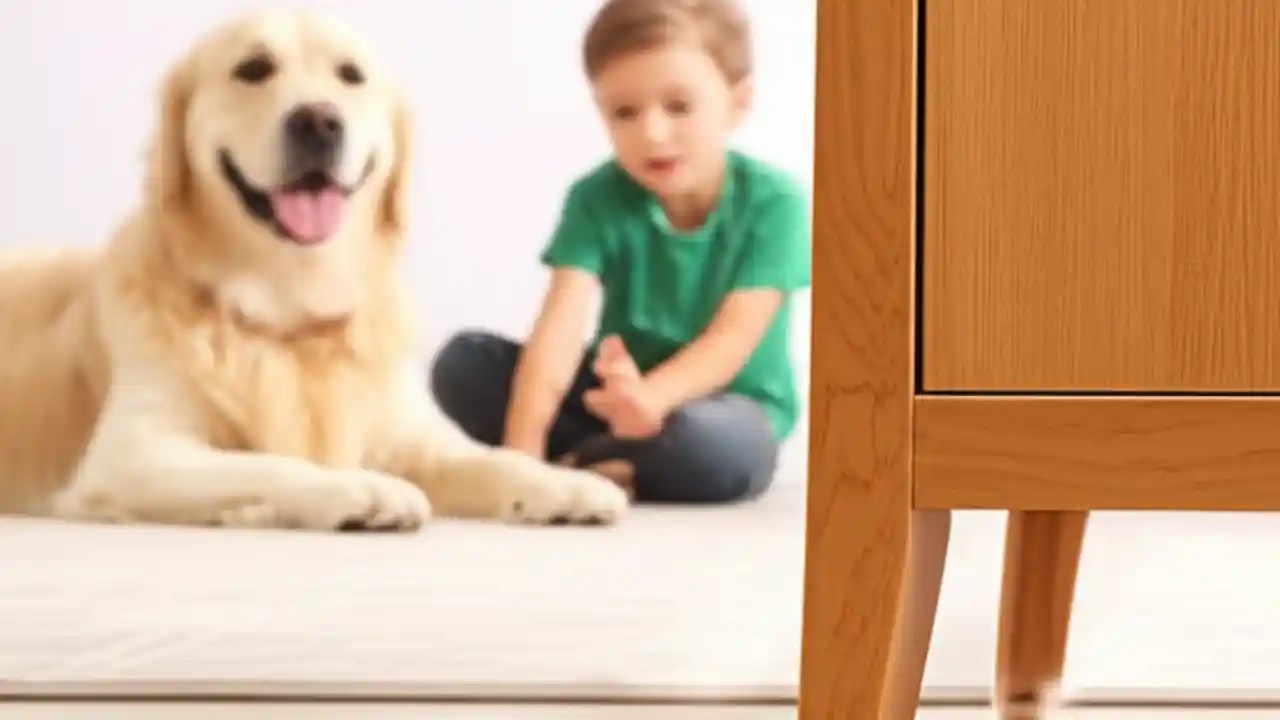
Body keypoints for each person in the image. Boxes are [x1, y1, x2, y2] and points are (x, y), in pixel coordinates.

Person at [430, 0, 811, 504]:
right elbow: (559, 329)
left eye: (678, 107)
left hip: (721, 407)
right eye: (624, 112)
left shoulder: (775, 203)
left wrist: (652, 398)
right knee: (464, 364)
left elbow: (732, 340)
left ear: (737, 104)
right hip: (615, 400)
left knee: (722, 448)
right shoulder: (596, 197)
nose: (651, 133)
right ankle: (605, 460)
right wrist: (521, 453)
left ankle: (595, 460)